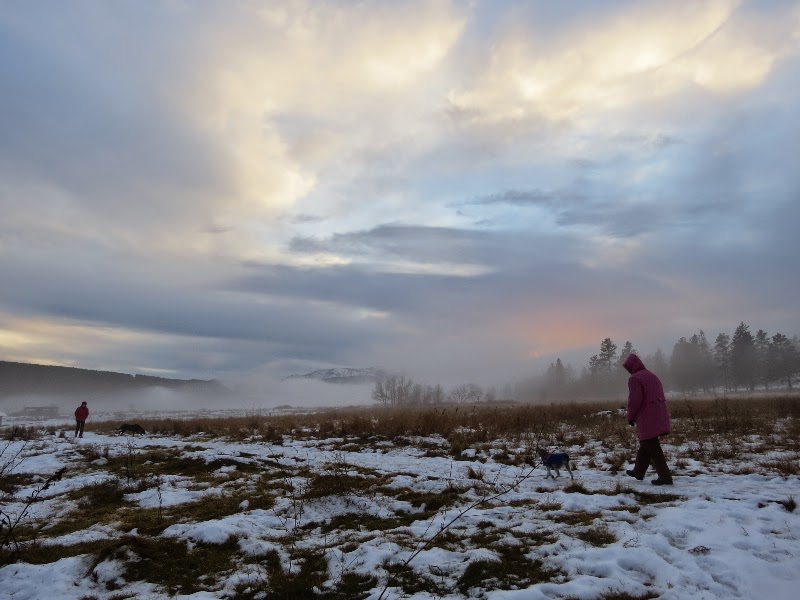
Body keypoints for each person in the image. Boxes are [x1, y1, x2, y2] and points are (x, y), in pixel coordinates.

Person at [622, 354, 673, 485]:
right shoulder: (651, 375)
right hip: (659, 413)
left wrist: (630, 416)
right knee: (647, 442)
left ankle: (665, 477)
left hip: (646, 416)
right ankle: (638, 471)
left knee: (652, 446)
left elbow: (634, 400)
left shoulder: (635, 378)